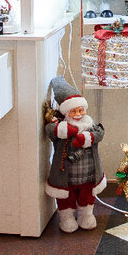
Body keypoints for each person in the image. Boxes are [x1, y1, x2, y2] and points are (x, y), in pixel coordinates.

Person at [44, 77, 105, 233]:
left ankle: (86, 216)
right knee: (66, 197)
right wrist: (63, 130)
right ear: (66, 112)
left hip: (88, 174)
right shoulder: (60, 126)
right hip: (66, 176)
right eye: (74, 111)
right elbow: (50, 130)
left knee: (86, 195)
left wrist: (87, 138)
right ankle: (67, 218)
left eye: (80, 110)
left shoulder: (89, 124)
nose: (78, 114)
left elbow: (100, 133)